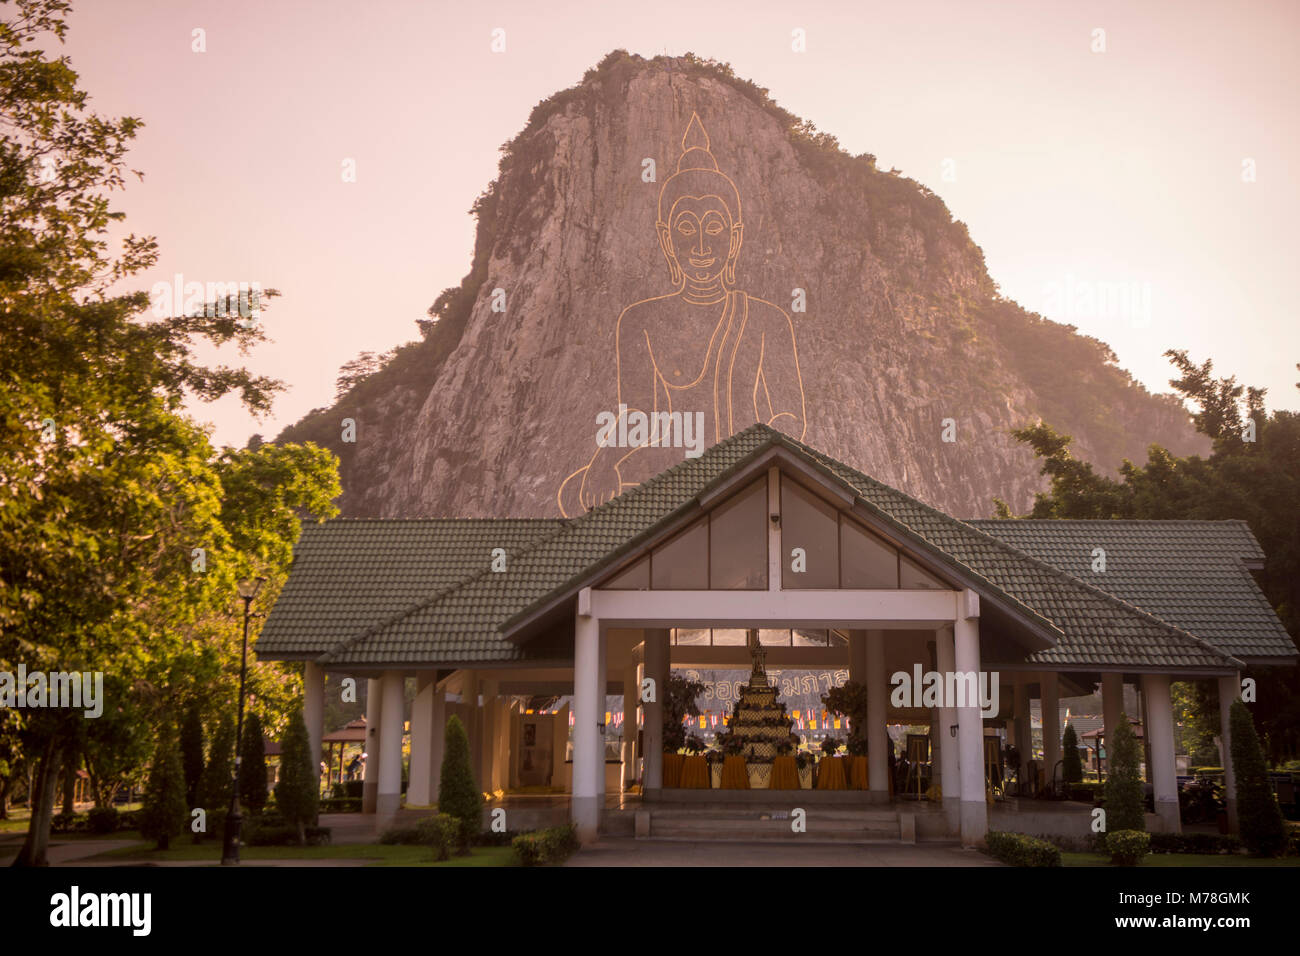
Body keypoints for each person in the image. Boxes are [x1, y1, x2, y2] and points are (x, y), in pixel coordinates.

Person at [558, 112, 807, 516]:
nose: (703, 245)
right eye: (687, 228)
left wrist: (752, 466)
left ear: (736, 236)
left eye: (715, 226)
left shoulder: (766, 319)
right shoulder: (640, 320)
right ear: (666, 238)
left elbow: (790, 418)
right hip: (673, 474)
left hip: (746, 470)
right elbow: (641, 413)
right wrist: (603, 464)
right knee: (579, 496)